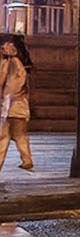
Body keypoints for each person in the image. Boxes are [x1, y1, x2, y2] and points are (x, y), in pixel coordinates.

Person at [0, 35, 32, 173]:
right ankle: (27, 160)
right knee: (20, 135)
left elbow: (4, 82)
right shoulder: (21, 64)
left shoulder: (10, 63)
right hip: (20, 106)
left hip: (10, 106)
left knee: (3, 137)